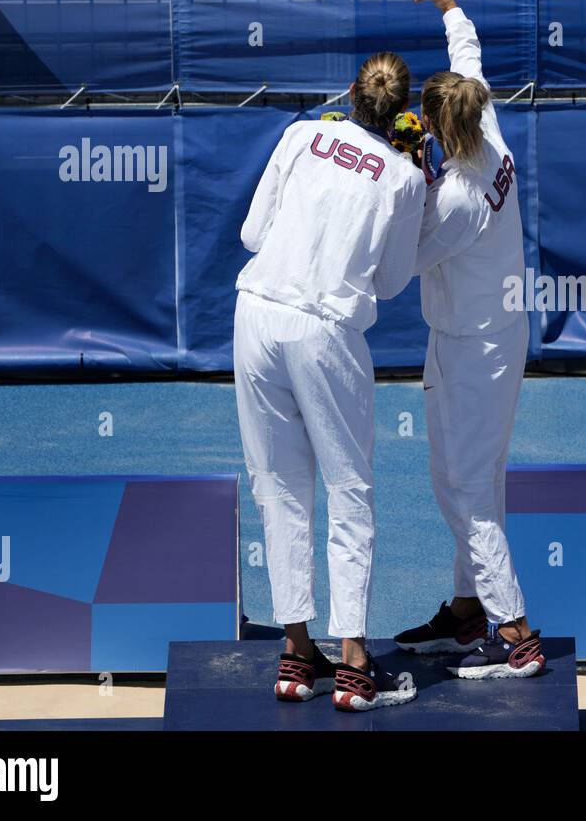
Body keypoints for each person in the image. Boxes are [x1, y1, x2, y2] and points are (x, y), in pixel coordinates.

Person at [234, 52, 425, 710]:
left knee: (279, 487)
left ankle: (296, 654)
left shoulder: (298, 133)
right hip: (326, 331)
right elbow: (394, 282)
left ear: (350, 93)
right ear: (403, 110)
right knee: (350, 492)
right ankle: (351, 661)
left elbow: (252, 232)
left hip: (255, 315)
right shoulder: (405, 177)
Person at [393, 0, 544, 679]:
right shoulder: (486, 121)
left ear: (437, 129)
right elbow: (469, 54)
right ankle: (466, 613)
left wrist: (403, 179)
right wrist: (446, 4)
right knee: (481, 476)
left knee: (463, 489)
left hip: (470, 349)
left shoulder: (453, 198)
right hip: (493, 334)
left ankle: (516, 634)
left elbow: (402, 263)